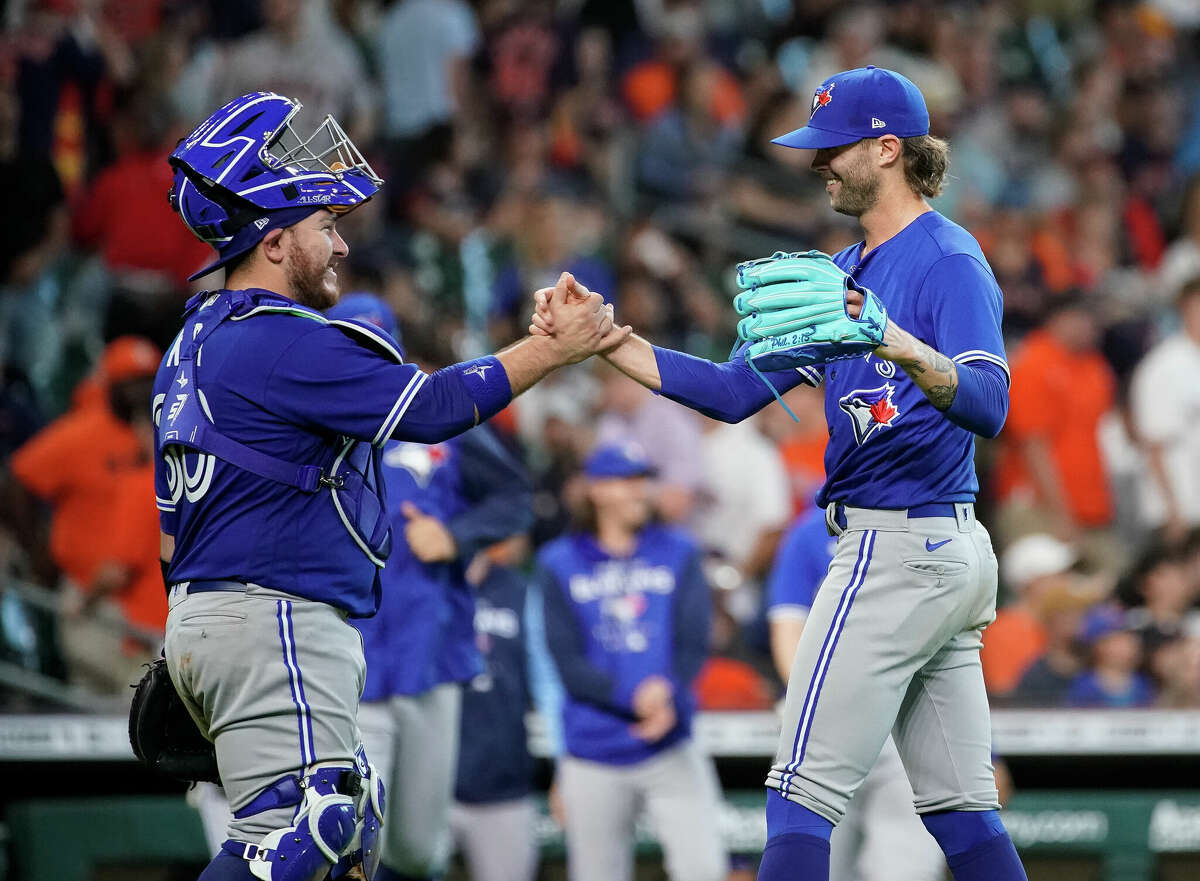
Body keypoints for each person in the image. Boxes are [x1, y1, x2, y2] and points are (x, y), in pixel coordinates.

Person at [534, 65, 1027, 881]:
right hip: (928, 552)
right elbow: (733, 393)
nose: (818, 164)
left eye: (835, 148)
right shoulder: (843, 277)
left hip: (899, 544)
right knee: (964, 814)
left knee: (797, 796)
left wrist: (898, 343)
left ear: (888, 149)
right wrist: (610, 342)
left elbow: (989, 400)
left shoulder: (947, 259)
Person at [154, 91, 624, 881]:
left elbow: (173, 531)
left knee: (333, 846)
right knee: (305, 837)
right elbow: (436, 407)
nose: (340, 245)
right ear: (272, 242)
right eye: (326, 226)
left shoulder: (197, 336)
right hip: (275, 619)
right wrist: (553, 347)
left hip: (219, 612)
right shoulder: (279, 339)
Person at [328, 294, 535, 881]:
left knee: (418, 849)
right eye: (349, 346)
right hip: (348, 658)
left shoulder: (431, 416)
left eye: (373, 345)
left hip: (430, 649)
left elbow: (517, 498)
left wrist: (457, 533)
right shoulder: (310, 422)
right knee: (350, 839)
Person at [537, 443, 728, 881]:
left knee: (704, 869)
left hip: (671, 740)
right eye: (626, 481)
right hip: (592, 748)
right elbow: (566, 663)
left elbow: (694, 641)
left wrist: (668, 695)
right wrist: (635, 700)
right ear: (597, 491)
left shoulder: (679, 550)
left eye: (642, 480)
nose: (639, 491)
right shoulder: (557, 563)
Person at [766, 508, 946, 881]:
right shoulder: (812, 532)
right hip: (827, 725)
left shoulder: (934, 524)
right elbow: (789, 632)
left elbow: (950, 648)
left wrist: (983, 750)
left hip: (905, 725)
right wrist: (817, 704)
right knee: (817, 868)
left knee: (906, 872)